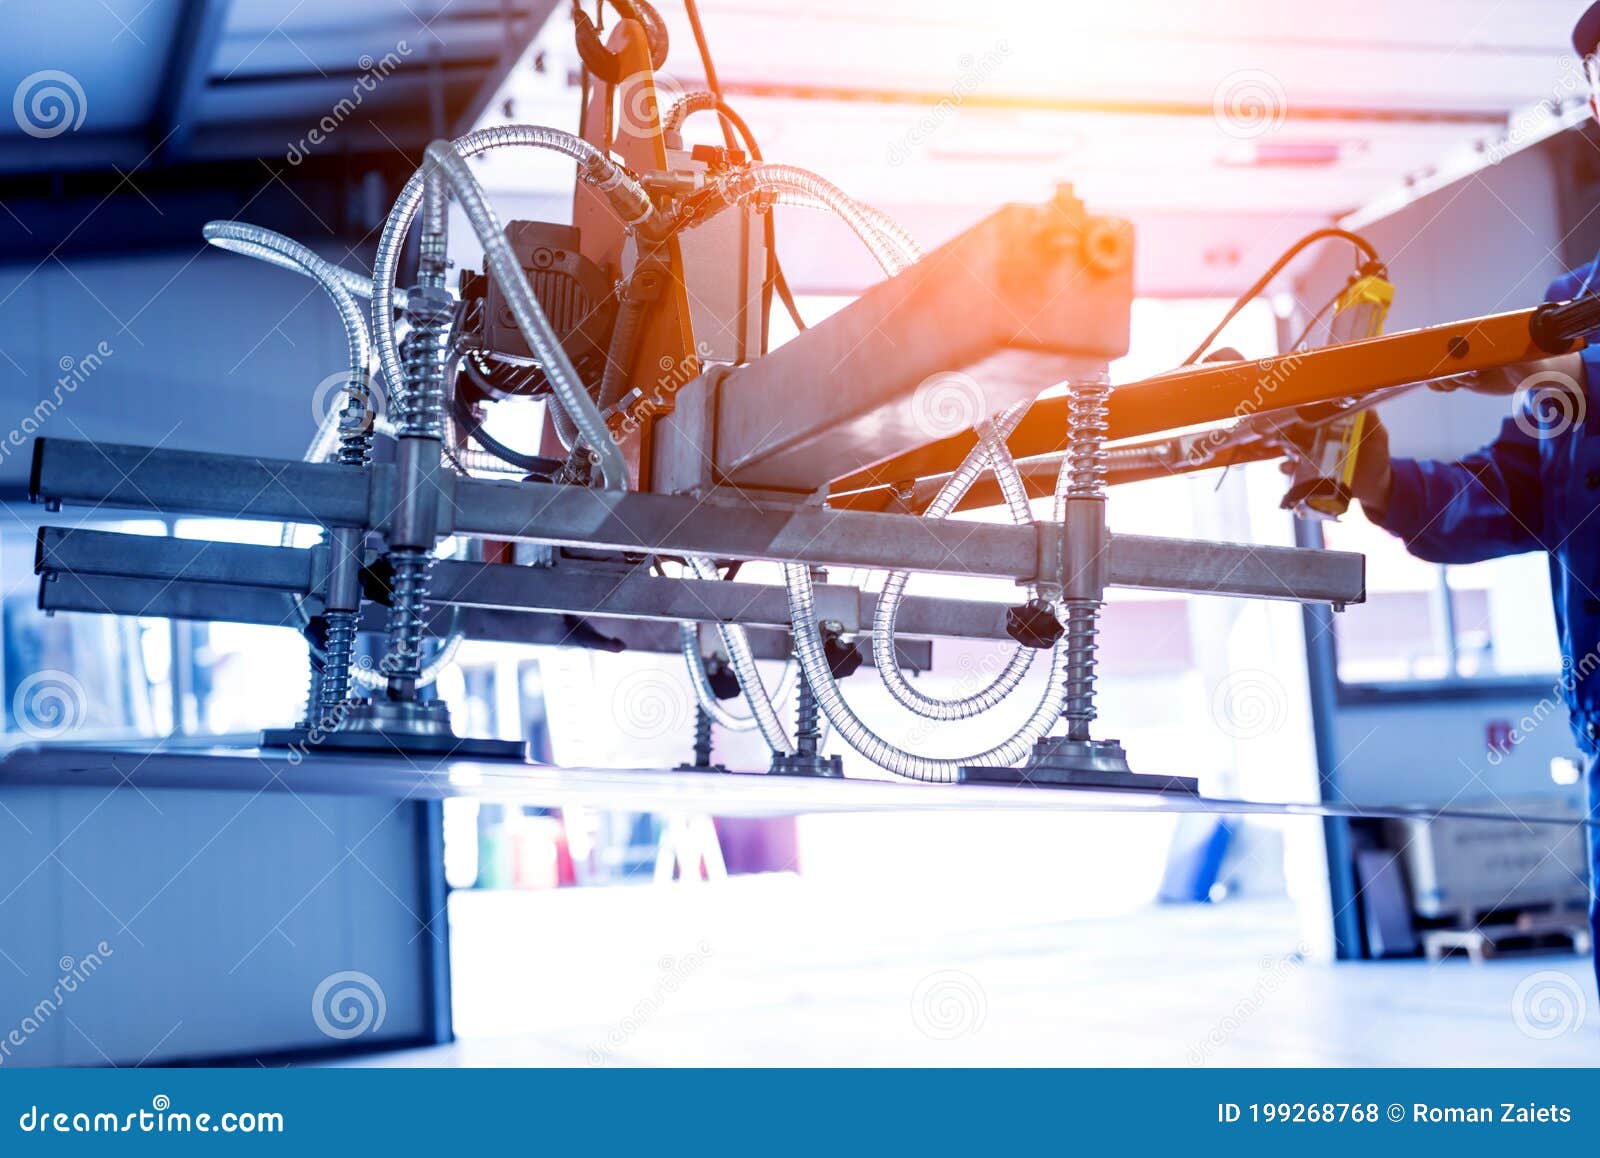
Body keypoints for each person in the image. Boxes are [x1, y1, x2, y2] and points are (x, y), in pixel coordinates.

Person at [1341, 0, 1600, 991]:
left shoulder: (1568, 338)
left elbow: (1569, 390)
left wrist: (1568, 377)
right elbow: (1516, 493)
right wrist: (1387, 486)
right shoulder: (1577, 297)